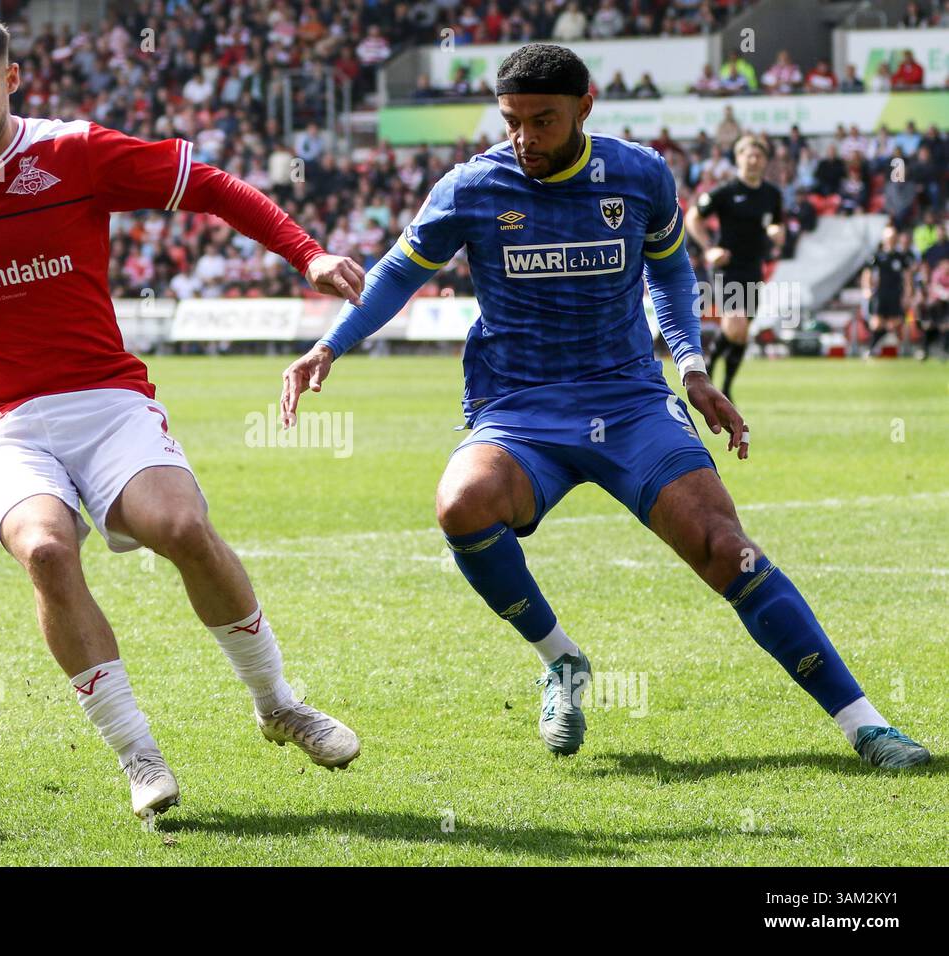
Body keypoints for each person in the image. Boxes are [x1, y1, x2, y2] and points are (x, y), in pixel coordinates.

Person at [280, 44, 930, 770]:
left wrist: (691, 367)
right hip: (520, 408)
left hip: (629, 401)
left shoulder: (638, 174)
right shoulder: (471, 187)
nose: (525, 137)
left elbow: (672, 273)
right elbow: (400, 274)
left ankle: (866, 725)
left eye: (543, 120)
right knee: (461, 503)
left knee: (726, 549)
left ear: (586, 106)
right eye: (512, 121)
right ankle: (561, 660)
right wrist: (329, 346)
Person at [0, 10, 366, 820]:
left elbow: (208, 185)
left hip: (106, 400)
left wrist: (305, 251)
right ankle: (138, 755)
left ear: (11, 81)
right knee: (44, 550)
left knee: (181, 527)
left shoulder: (74, 152)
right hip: (0, 421)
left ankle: (278, 702)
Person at [685, 135, 784, 403]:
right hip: (728, 268)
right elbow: (692, 217)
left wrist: (776, 232)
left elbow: (778, 225)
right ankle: (717, 382)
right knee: (736, 323)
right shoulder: (726, 191)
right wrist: (709, 248)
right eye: (748, 155)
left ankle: (722, 382)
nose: (753, 160)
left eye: (759, 156)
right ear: (738, 158)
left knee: (739, 333)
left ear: (764, 161)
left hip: (754, 268)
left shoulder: (772, 194)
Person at [862, 224, 914, 358]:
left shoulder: (901, 257)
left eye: (893, 237)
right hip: (880, 293)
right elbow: (867, 273)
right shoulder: (877, 256)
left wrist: (908, 293)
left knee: (895, 322)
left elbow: (907, 276)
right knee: (876, 323)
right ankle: (872, 348)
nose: (891, 240)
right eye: (889, 237)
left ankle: (902, 349)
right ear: (884, 239)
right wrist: (867, 289)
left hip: (896, 293)